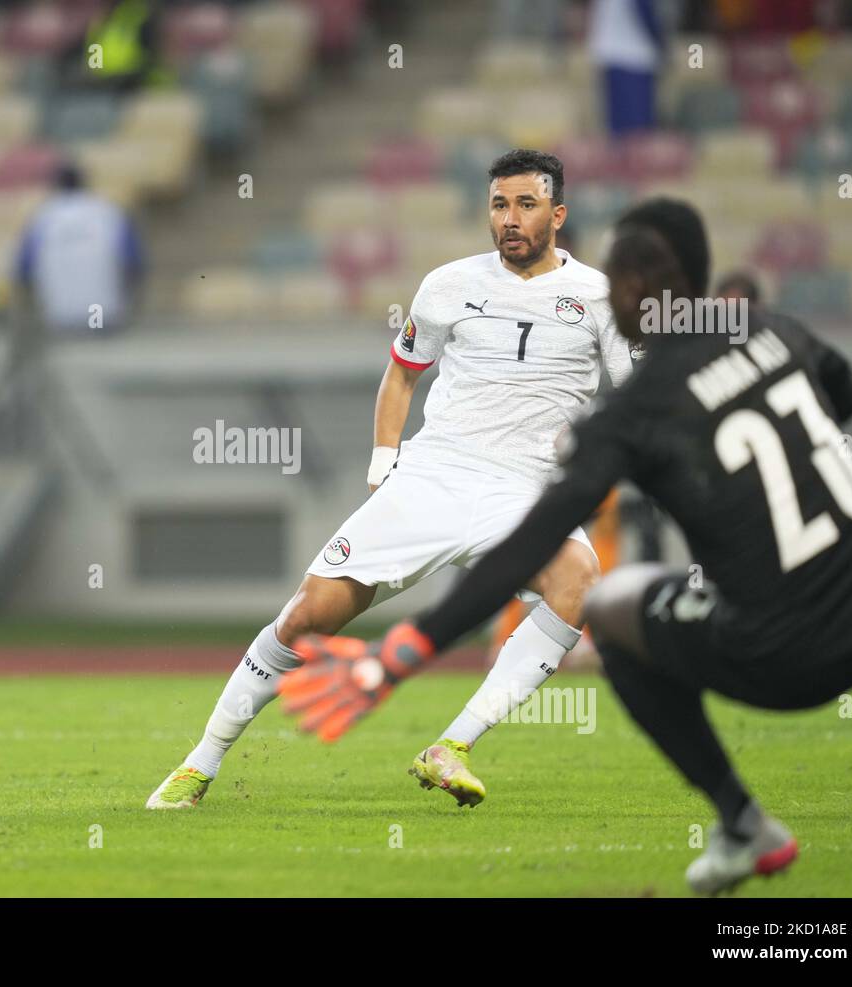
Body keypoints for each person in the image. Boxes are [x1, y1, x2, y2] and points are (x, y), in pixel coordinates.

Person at [280, 199, 852, 895]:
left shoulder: (634, 412)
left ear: (628, 291)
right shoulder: (769, 328)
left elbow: (527, 544)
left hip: (783, 646)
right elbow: (843, 391)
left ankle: (743, 822)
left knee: (616, 608)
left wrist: (405, 649)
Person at [146, 149, 637, 810]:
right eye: (499, 205)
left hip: (525, 491)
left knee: (576, 580)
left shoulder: (600, 297)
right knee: (306, 617)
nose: (511, 219)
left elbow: (641, 390)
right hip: (435, 474)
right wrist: (385, 462)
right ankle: (200, 763)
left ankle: (453, 745)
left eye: (526, 204)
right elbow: (404, 372)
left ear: (558, 212)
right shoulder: (447, 284)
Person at [13, 161, 144, 344]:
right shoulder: (108, 212)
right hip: (103, 317)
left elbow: (23, 269)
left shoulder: (43, 217)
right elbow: (134, 263)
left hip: (59, 318)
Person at [588, 0, 664, 137]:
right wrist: (661, 43)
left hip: (612, 52)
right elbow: (644, 10)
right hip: (633, 55)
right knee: (636, 128)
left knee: (619, 125)